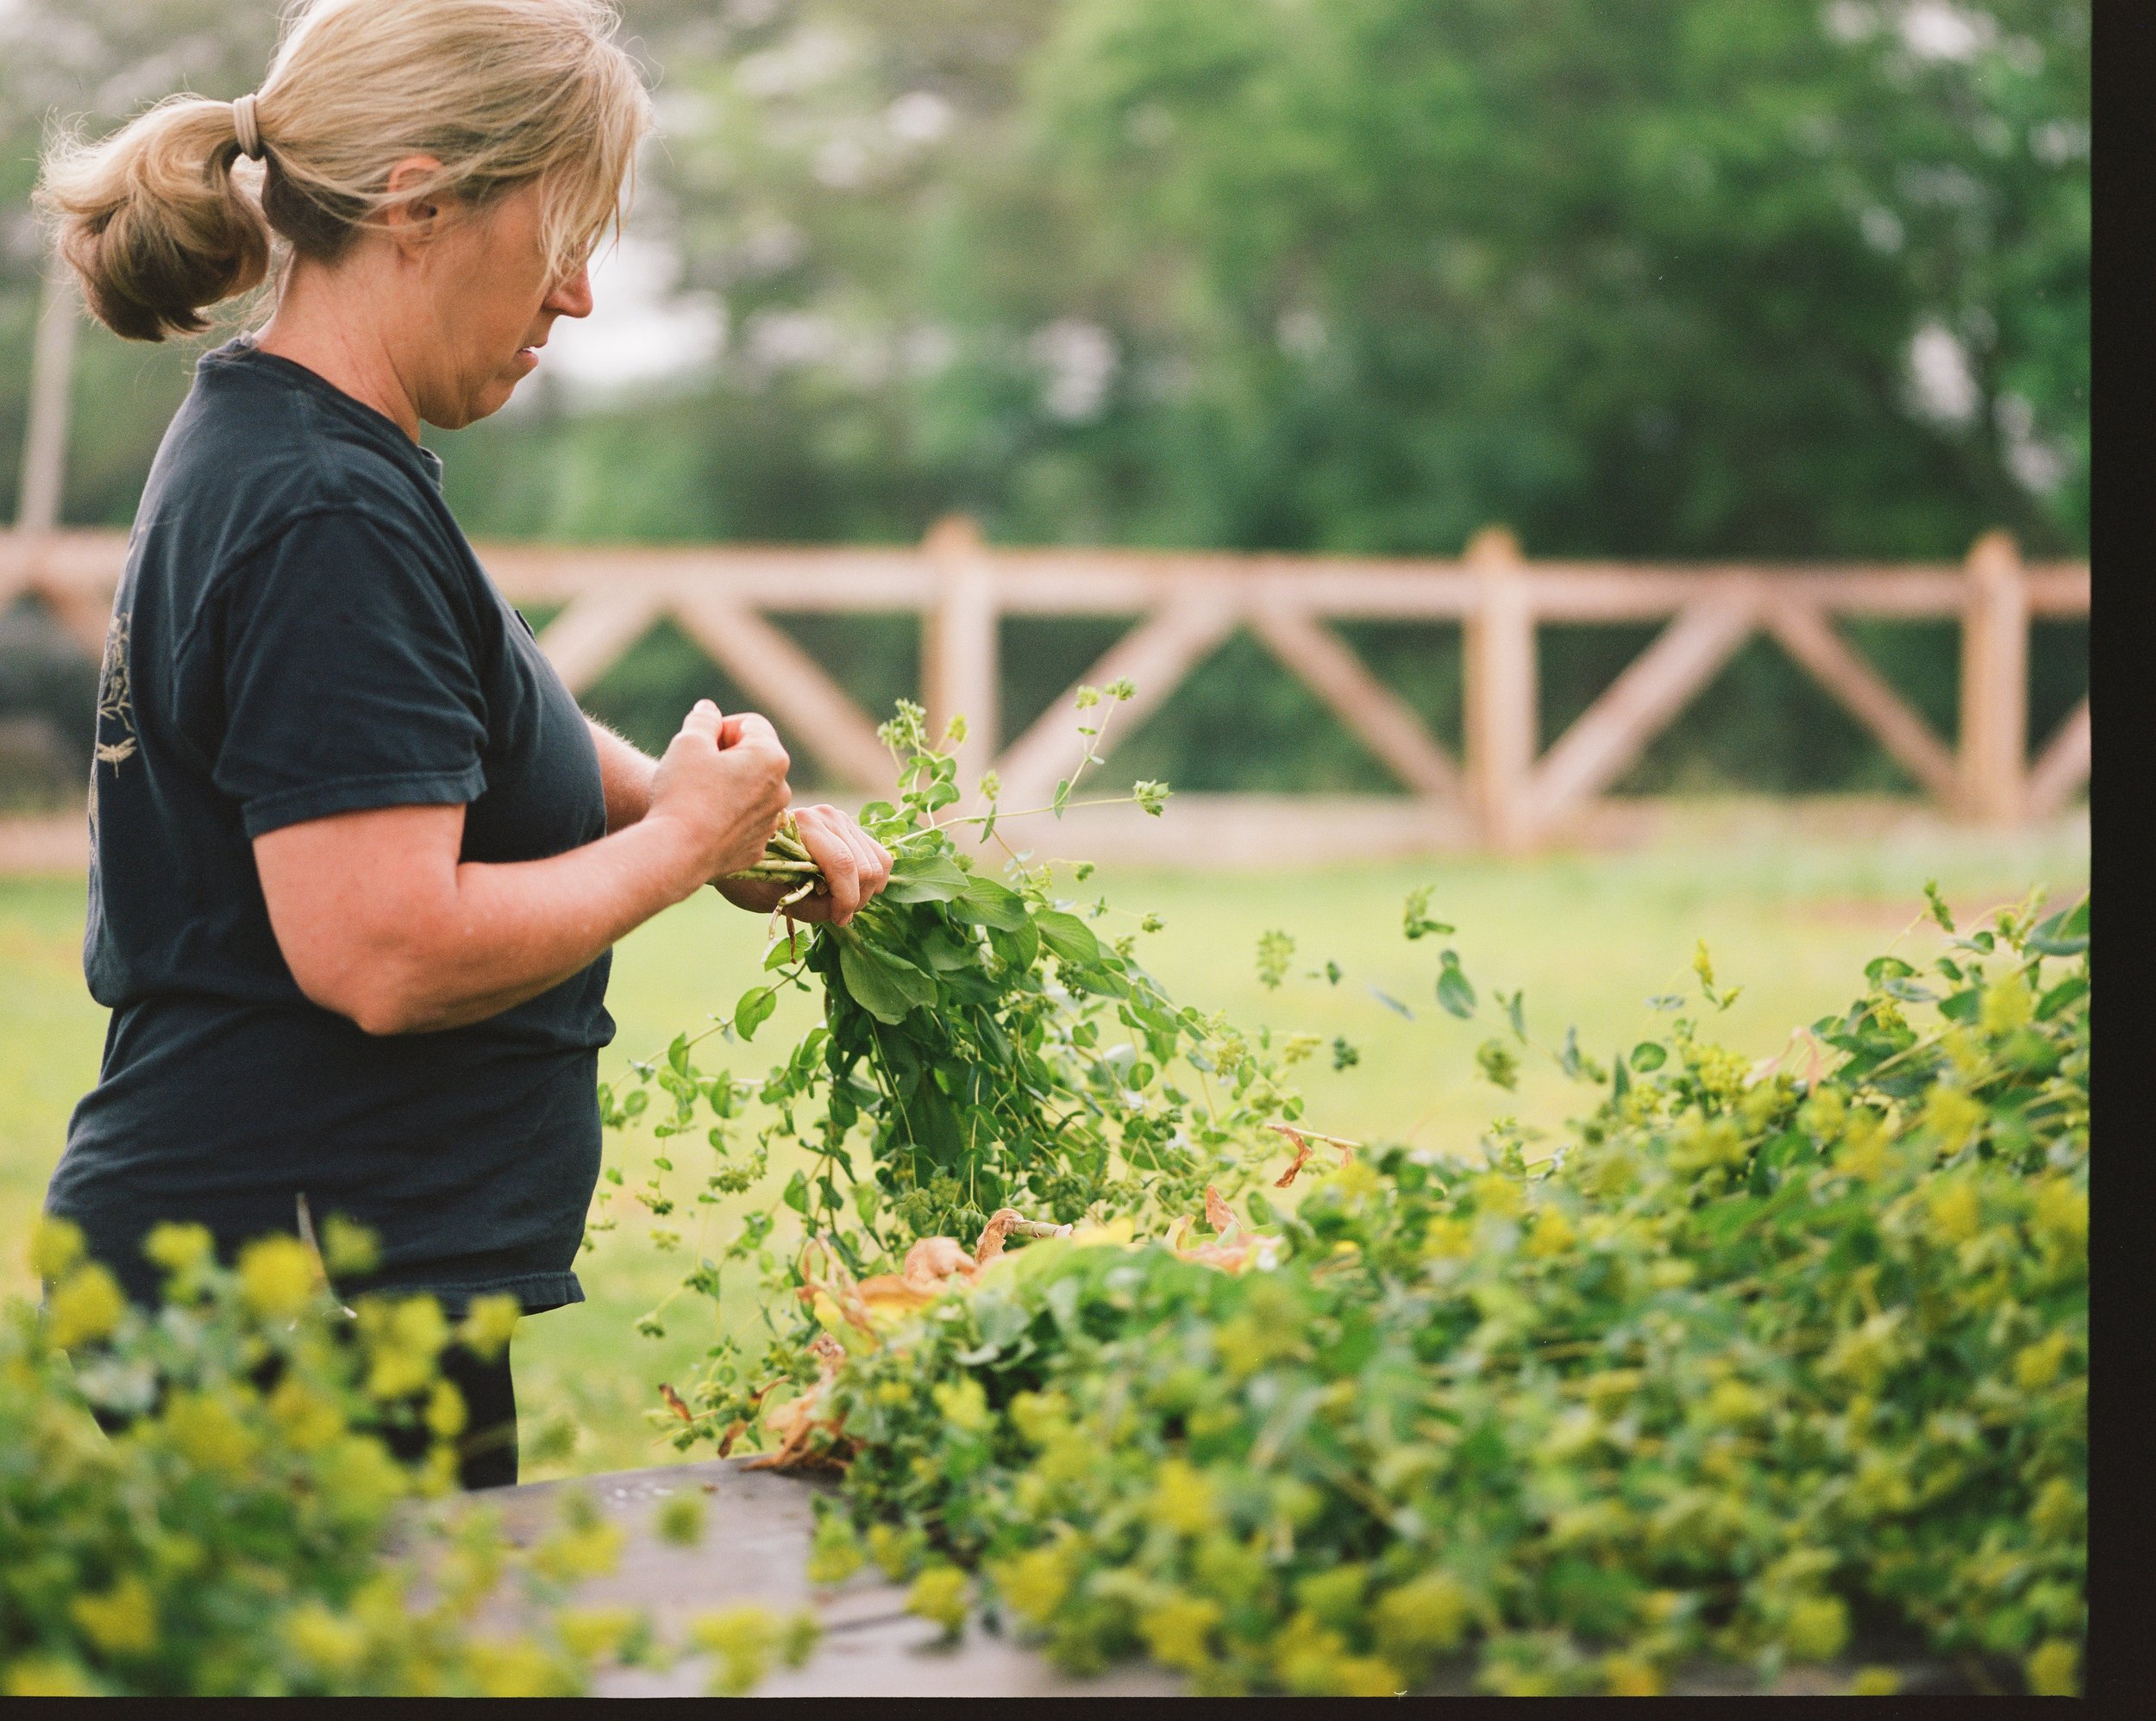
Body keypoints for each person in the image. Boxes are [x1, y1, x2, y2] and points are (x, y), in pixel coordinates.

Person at [33, 0, 891, 1489]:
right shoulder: (324, 512)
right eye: (563, 230)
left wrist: (714, 820)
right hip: (286, 1289)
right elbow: (387, 952)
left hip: (301, 1266)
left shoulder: (313, 455)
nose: (577, 298)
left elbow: (468, 728)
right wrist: (679, 846)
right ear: (422, 203)